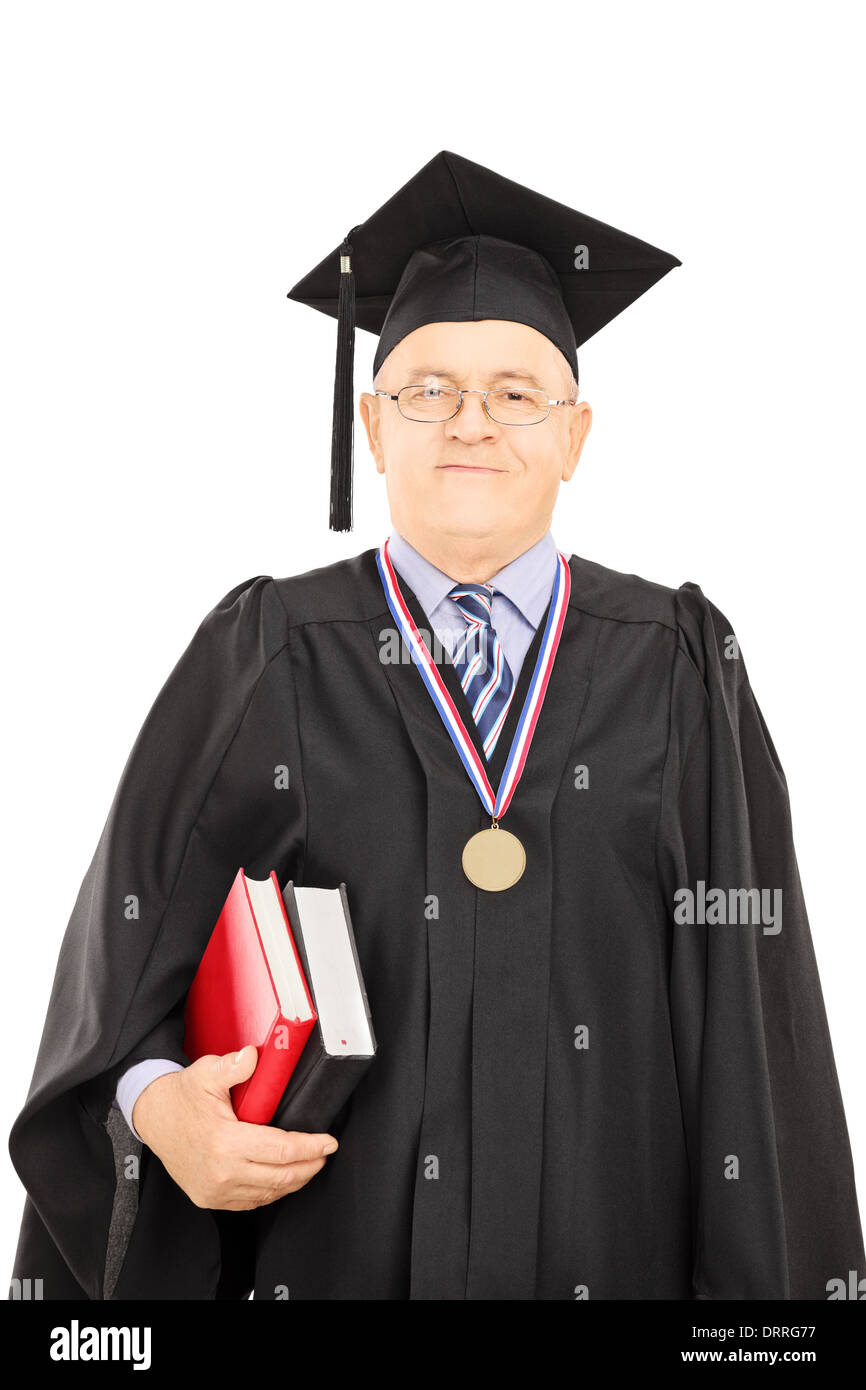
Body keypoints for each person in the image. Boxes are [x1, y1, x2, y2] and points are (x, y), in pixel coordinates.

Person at [8, 151, 863, 1301]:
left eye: (516, 392)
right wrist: (157, 1109)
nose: (471, 422)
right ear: (371, 423)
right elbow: (119, 978)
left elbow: (759, 1047)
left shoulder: (675, 669)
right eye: (425, 390)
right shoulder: (268, 650)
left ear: (574, 434)